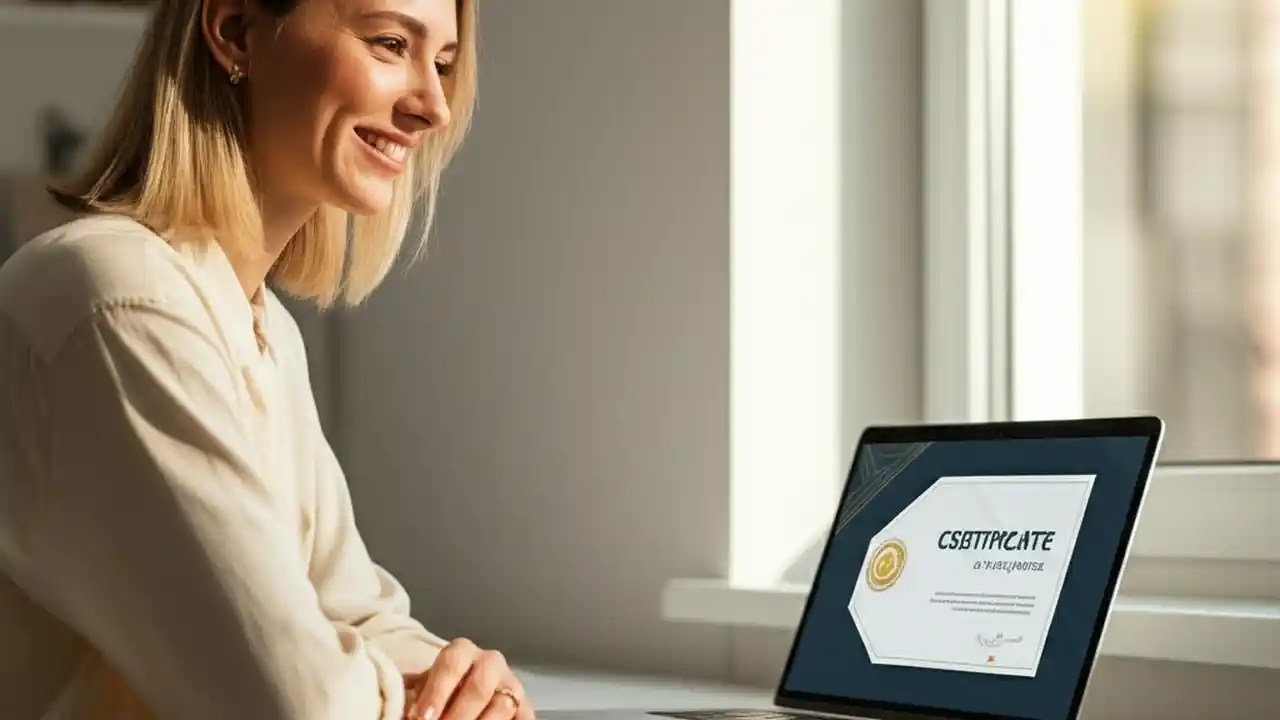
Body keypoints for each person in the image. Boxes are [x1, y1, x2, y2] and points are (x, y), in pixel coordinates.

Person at [0, 1, 531, 718]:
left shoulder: (259, 329)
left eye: (441, 62)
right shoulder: (124, 302)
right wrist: (415, 692)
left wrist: (463, 685)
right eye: (388, 43)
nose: (433, 107)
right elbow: (295, 702)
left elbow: (358, 612)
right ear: (234, 30)